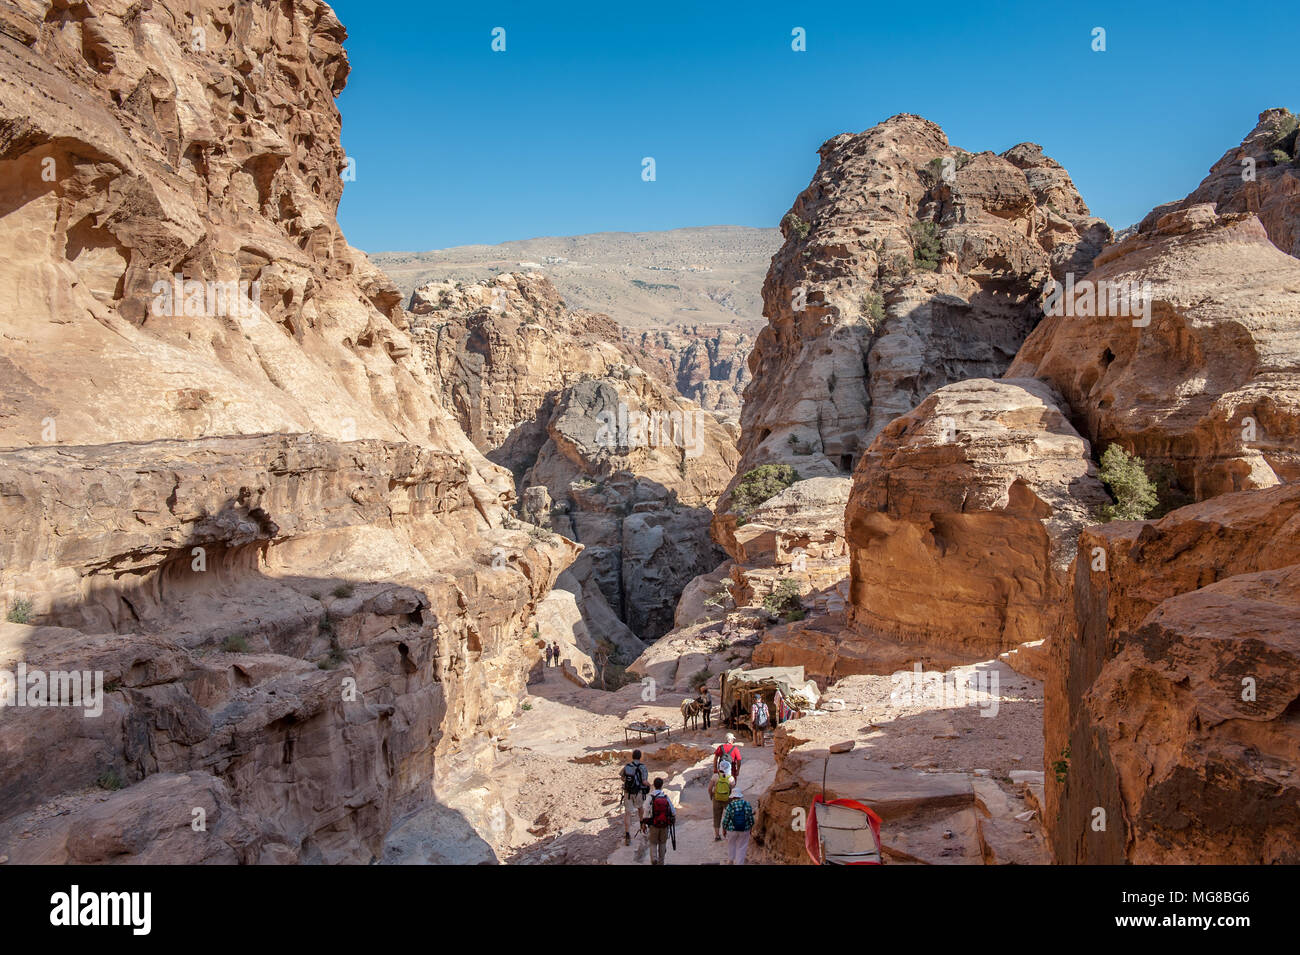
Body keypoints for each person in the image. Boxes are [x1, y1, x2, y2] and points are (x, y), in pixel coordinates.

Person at [640, 777, 676, 865]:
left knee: (653, 842)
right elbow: (673, 812)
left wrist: (644, 823)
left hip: (654, 825)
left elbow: (646, 811)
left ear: (654, 785)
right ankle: (661, 862)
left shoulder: (650, 797)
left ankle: (654, 859)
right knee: (662, 843)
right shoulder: (665, 797)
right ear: (661, 786)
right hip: (664, 825)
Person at [620, 750, 648, 846]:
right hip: (638, 792)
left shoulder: (627, 766)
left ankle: (627, 835)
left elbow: (622, 777)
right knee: (640, 808)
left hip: (628, 792)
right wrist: (650, 786)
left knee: (627, 813)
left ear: (632, 757)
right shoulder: (643, 767)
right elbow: (644, 781)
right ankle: (642, 825)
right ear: (640, 757)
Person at [721, 786, 755, 865]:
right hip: (744, 829)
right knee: (742, 847)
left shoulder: (730, 806)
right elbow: (751, 819)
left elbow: (726, 820)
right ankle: (739, 863)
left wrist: (724, 829)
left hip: (731, 830)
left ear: (732, 797)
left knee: (731, 844)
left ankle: (730, 860)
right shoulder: (747, 804)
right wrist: (751, 828)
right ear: (740, 796)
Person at [709, 760, 735, 841]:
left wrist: (711, 796)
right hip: (727, 799)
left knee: (717, 817)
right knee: (729, 816)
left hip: (716, 798)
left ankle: (717, 836)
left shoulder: (715, 776)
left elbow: (709, 788)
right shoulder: (731, 778)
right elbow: (732, 789)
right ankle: (729, 833)